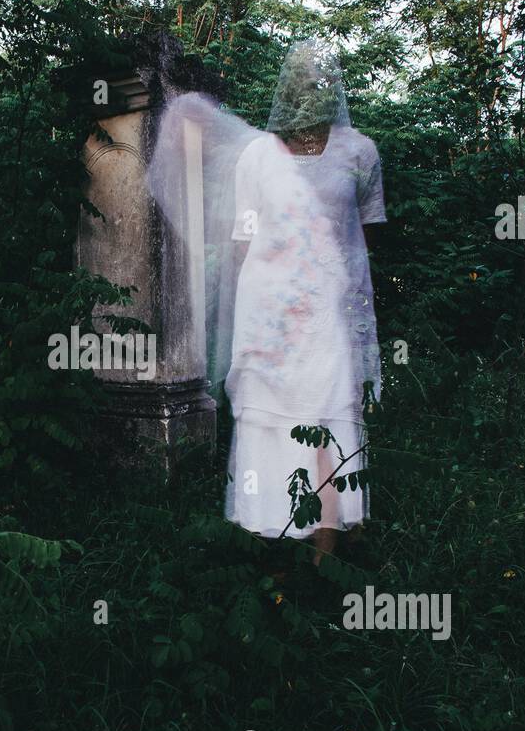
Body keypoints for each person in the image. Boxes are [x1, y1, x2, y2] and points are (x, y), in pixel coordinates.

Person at [148, 38, 385, 569]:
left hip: (328, 315)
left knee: (325, 419)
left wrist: (351, 307)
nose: (308, 87)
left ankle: (324, 559)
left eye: (318, 77)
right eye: (297, 77)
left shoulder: (359, 152)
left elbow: (365, 242)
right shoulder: (256, 156)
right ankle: (266, 547)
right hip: (270, 315)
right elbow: (242, 240)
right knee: (265, 421)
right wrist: (238, 311)